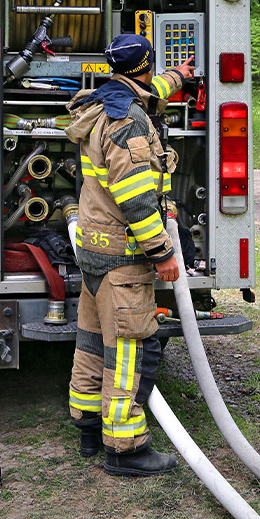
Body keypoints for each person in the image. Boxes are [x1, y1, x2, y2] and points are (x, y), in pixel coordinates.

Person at [63, 33, 195, 477]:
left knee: (91, 342)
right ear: (146, 64)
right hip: (124, 258)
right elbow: (137, 200)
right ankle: (126, 450)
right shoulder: (130, 123)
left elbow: (148, 89)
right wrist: (163, 254)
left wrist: (182, 76)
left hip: (94, 252)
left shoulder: (101, 102)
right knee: (129, 352)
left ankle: (87, 425)